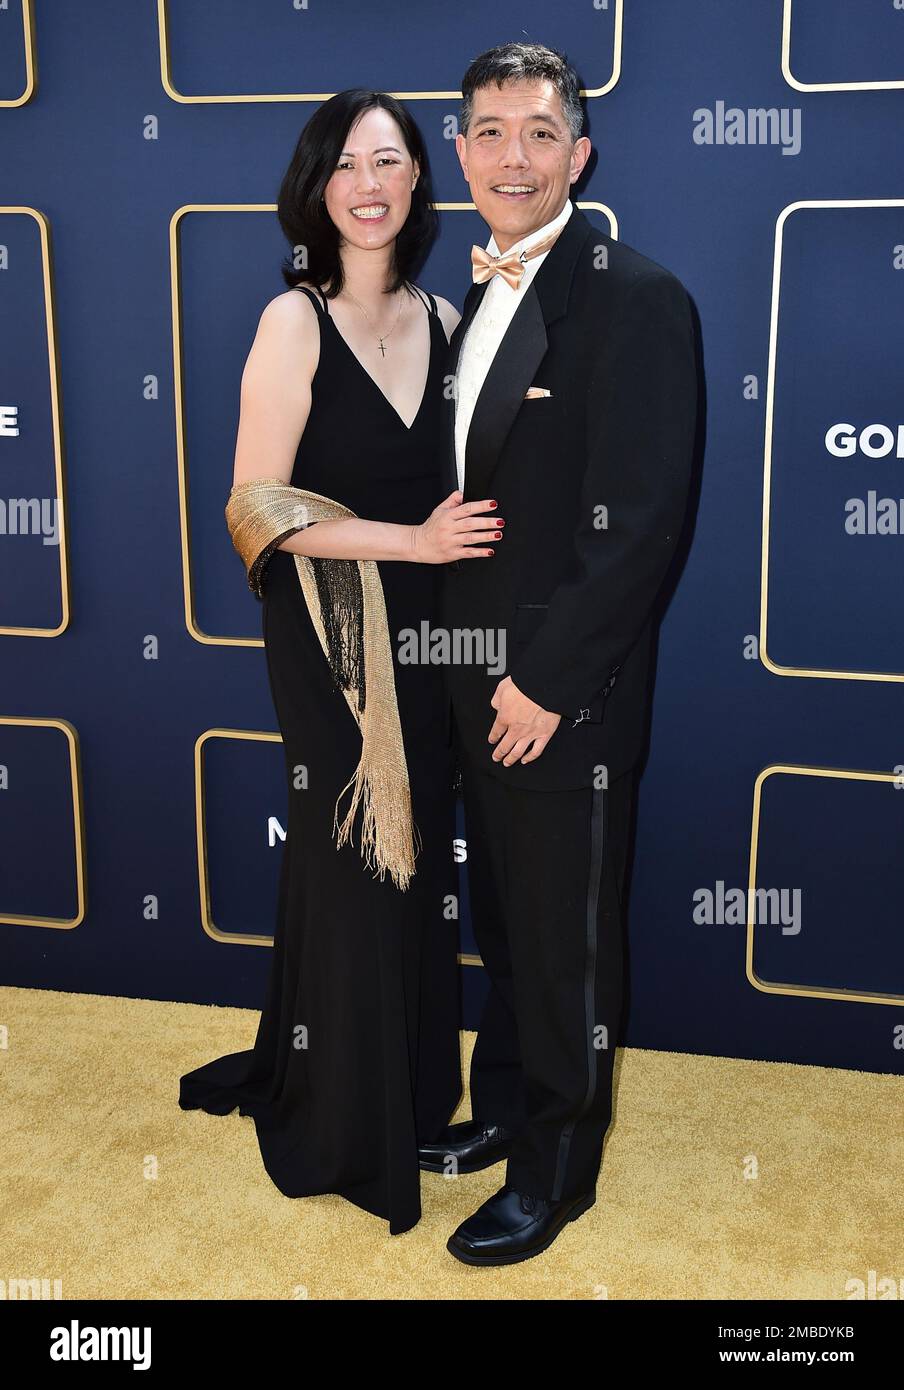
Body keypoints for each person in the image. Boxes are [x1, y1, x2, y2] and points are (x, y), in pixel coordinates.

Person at [179, 90, 502, 1236]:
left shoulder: (453, 317)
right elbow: (255, 508)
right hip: (330, 640)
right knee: (360, 861)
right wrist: (409, 538)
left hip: (437, 639)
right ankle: (344, 1126)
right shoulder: (293, 322)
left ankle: (410, 1096)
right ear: (319, 187)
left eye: (393, 161)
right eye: (348, 164)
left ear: (422, 180)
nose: (370, 184)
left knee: (415, 876)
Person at [418, 43, 699, 1264]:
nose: (512, 156)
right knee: (508, 920)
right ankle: (504, 1109)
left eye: (538, 133)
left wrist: (544, 682)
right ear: (460, 151)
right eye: (488, 131)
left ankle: (556, 1171)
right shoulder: (473, 291)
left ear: (577, 154)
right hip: (472, 671)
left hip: (558, 694)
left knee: (566, 940)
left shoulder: (634, 295)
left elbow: (639, 525)